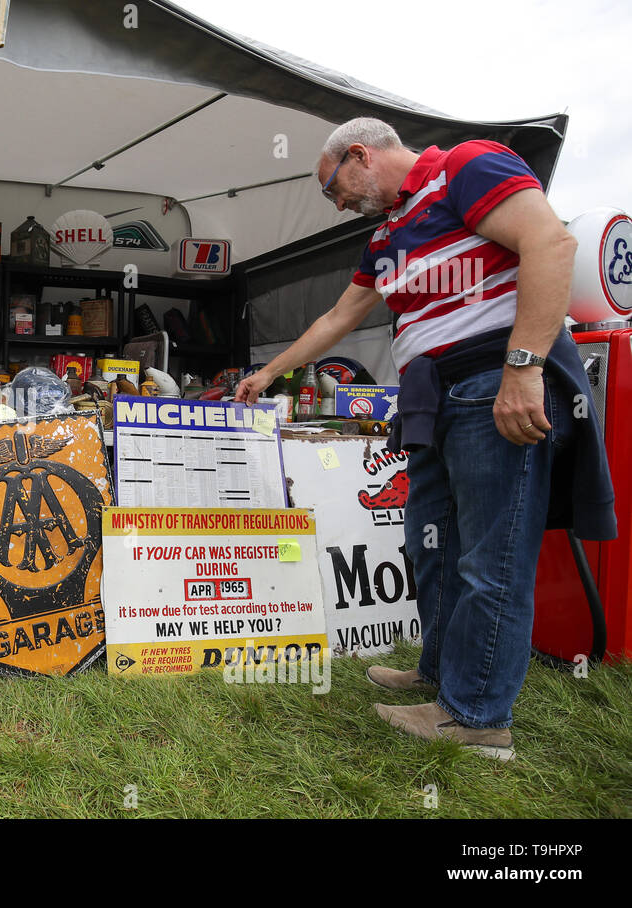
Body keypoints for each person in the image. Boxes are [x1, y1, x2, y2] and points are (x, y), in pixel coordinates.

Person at [235, 117, 615, 760]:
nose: (338, 204)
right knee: (433, 547)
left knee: (490, 558)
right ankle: (438, 676)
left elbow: (550, 244)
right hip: (431, 400)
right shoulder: (386, 234)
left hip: (489, 382)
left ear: (359, 155)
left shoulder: (468, 165)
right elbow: (339, 315)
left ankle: (478, 718)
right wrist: (270, 371)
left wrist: (521, 370)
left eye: (335, 188)